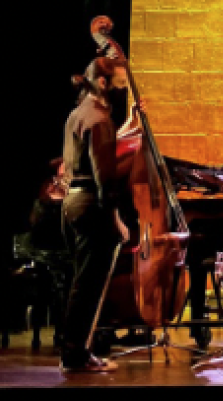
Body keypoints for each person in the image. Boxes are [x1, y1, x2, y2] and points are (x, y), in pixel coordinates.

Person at [58, 57, 130, 373]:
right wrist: (116, 219)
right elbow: (105, 178)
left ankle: (74, 351)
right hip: (91, 206)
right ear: (103, 82)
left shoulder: (78, 115)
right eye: (121, 80)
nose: (124, 86)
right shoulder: (99, 120)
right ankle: (75, 354)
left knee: (81, 284)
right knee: (89, 287)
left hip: (72, 203)